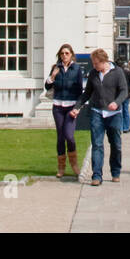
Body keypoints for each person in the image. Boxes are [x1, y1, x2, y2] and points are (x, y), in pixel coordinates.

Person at [69, 48, 130, 186]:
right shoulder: (93, 74)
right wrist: (77, 107)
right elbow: (87, 93)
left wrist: (116, 102)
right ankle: (97, 175)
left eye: (96, 63)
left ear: (104, 61)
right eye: (93, 63)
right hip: (97, 112)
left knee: (116, 144)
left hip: (114, 114)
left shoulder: (117, 72)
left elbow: (124, 91)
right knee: (97, 144)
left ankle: (115, 171)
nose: (94, 66)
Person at [44, 43, 85, 179]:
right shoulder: (56, 68)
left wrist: (78, 107)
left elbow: (80, 89)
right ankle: (61, 167)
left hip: (71, 106)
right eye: (62, 53)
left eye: (67, 53)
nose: (64, 56)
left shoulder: (77, 69)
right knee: (60, 137)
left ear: (71, 55)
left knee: (69, 135)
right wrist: (53, 76)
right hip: (58, 106)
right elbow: (47, 86)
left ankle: (74, 164)